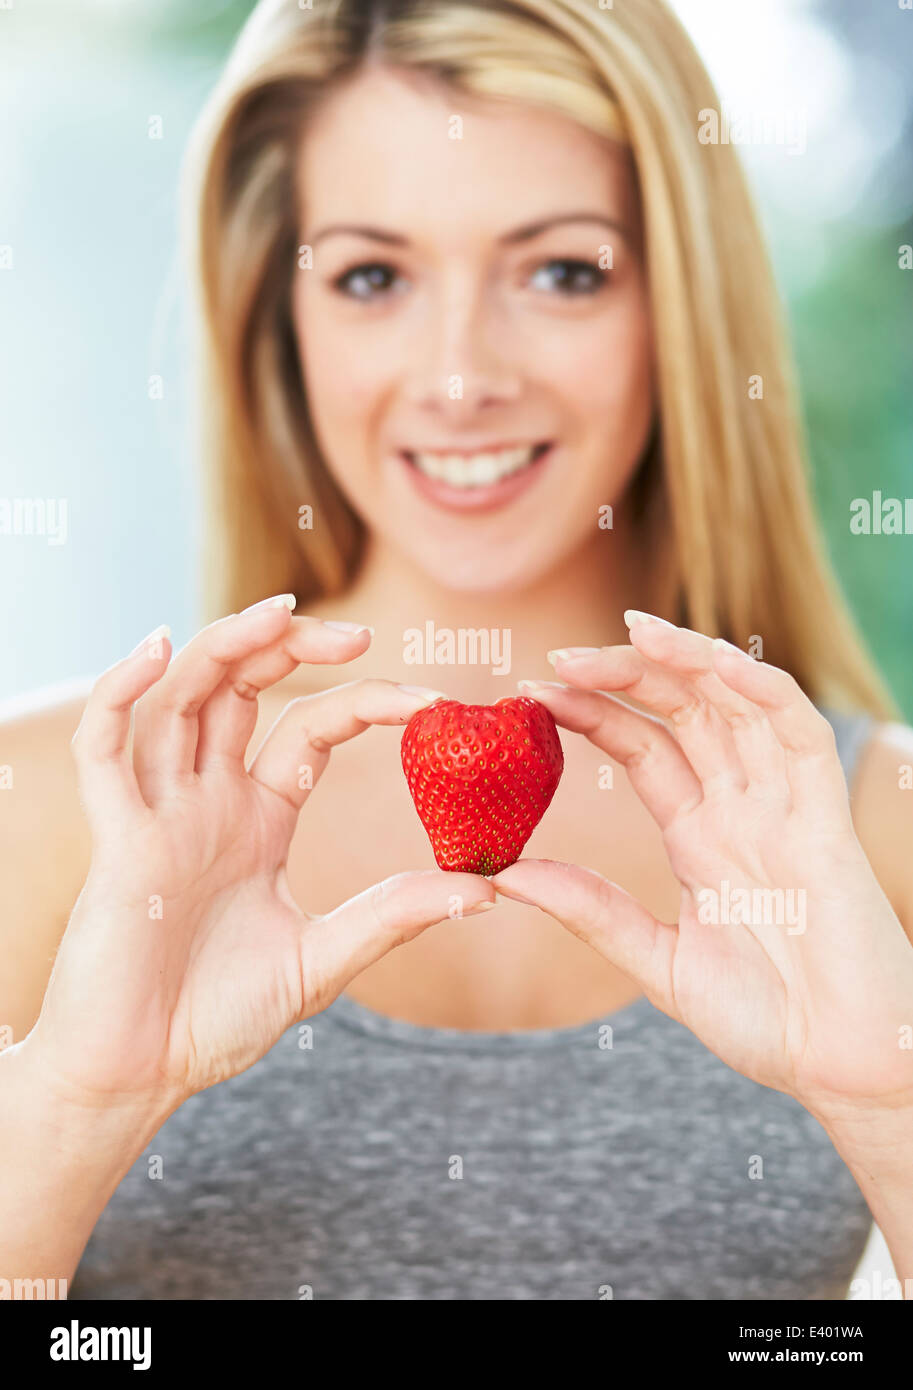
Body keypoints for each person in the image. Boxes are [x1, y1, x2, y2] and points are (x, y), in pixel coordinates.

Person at [2, 0, 912, 1301]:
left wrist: (891, 1103)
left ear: (681, 303)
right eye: (372, 277)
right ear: (280, 317)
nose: (458, 374)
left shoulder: (871, 827)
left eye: (561, 271)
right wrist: (72, 1113)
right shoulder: (48, 811)